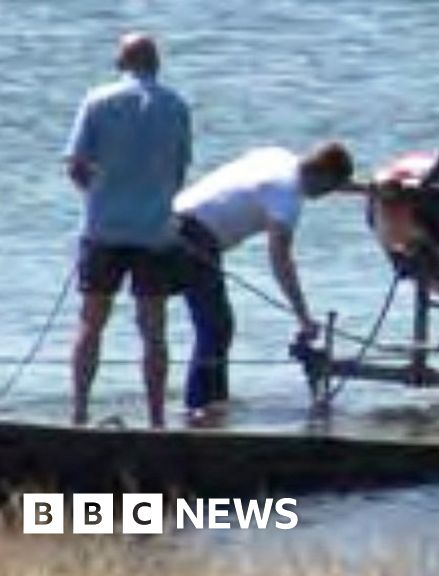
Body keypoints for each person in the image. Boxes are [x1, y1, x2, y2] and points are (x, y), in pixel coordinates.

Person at [64, 33, 192, 427]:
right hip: (154, 232)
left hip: (103, 228)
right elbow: (179, 168)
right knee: (153, 328)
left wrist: (96, 196)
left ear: (122, 64)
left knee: (91, 321)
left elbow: (76, 164)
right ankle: (156, 419)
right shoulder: (176, 105)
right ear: (156, 64)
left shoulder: (97, 100)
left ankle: (80, 411)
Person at [172, 142, 353, 416]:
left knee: (217, 326)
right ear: (323, 177)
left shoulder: (279, 157)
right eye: (328, 190)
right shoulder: (287, 198)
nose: (325, 197)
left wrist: (369, 190)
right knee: (215, 327)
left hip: (173, 216)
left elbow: (327, 179)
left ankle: (213, 405)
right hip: (193, 237)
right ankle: (198, 407)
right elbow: (281, 261)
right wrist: (303, 316)